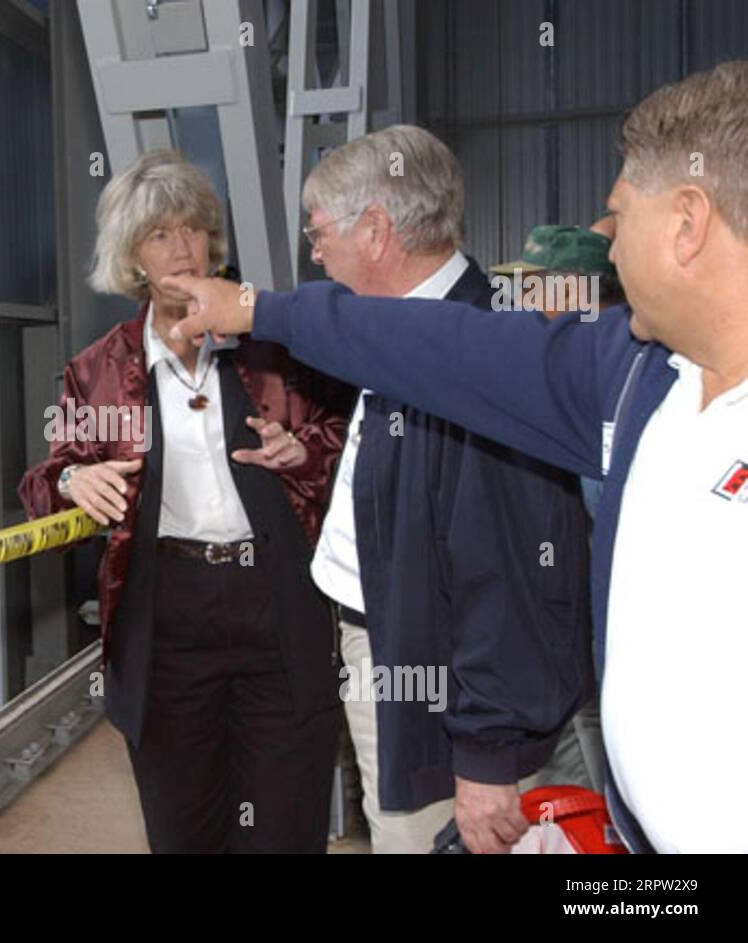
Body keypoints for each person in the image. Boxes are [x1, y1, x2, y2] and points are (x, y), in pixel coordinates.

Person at [163, 59, 748, 852]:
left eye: (620, 218)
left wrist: (487, 750)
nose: (606, 255)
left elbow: (504, 575)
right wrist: (258, 307)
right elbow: (437, 345)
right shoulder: (638, 376)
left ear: (687, 223)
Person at [18, 150, 355, 852]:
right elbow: (42, 484)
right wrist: (74, 481)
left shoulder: (272, 342)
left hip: (278, 606)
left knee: (285, 832)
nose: (182, 248)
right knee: (184, 834)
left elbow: (345, 438)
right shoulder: (98, 370)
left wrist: (304, 452)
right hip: (166, 618)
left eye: (194, 229)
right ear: (132, 258)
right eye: (159, 234)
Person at [291, 125, 591, 854]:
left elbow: (506, 576)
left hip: (432, 684)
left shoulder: (470, 357)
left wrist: (484, 760)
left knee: (414, 836)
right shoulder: (408, 334)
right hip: (391, 647)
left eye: (319, 229)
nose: (313, 250)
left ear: (375, 229)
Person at [492, 223, 627, 795]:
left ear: (579, 293)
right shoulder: (557, 378)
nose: (520, 302)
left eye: (534, 288)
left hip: (612, 648)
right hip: (562, 649)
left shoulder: (620, 381)